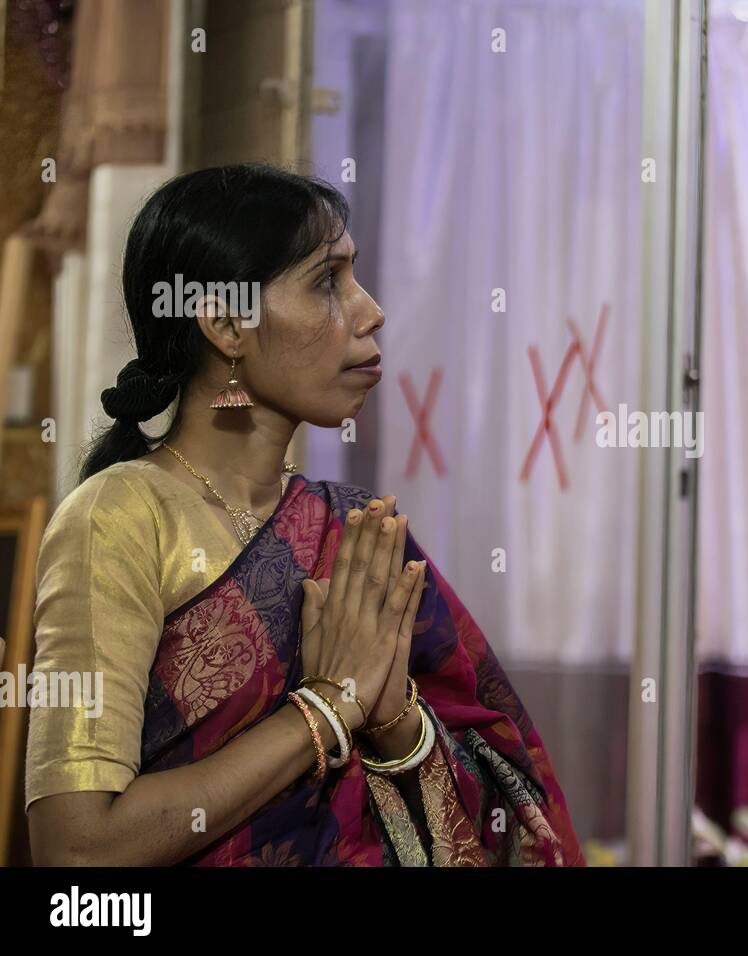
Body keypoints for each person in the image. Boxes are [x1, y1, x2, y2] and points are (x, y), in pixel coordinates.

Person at [25, 164, 583, 866]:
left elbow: (511, 805)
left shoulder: (354, 534)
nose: (369, 310)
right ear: (227, 323)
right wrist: (325, 707)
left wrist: (394, 723)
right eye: (327, 281)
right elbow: (77, 852)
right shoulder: (121, 517)